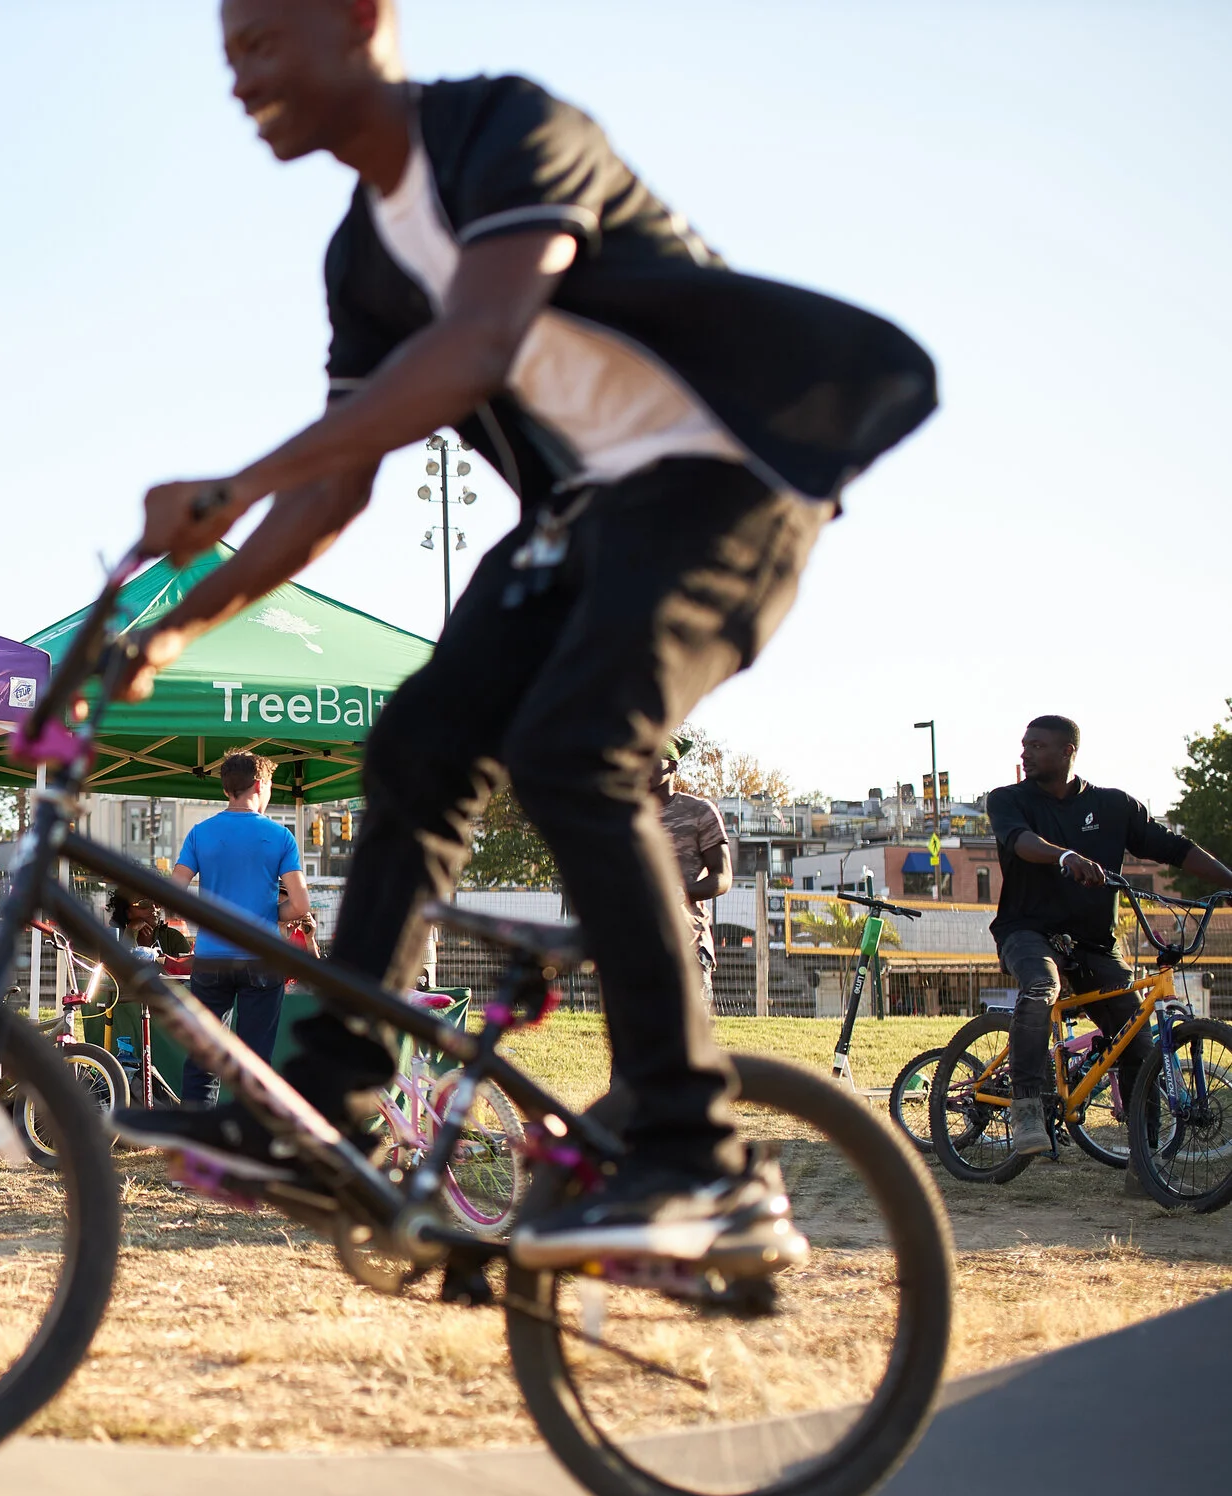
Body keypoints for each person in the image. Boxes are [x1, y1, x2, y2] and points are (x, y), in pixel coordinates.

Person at [108, 0, 937, 1263]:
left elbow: (475, 344)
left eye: (264, 43)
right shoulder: (361, 260)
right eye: (227, 58)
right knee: (417, 746)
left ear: (360, 22)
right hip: (583, 513)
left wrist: (228, 481)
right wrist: (172, 631)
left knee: (571, 751)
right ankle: (331, 1105)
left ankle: (693, 1156)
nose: (241, 80)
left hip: (724, 477)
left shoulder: (507, 125)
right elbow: (333, 492)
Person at [986, 716, 1232, 1163]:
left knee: (1138, 1042)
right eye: (1024, 745)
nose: (1025, 753)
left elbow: (1174, 848)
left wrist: (1230, 880)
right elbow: (1020, 841)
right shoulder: (1007, 799)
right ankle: (1025, 1109)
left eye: (1037, 746)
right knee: (1042, 985)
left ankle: (1148, 1158)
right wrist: (1065, 855)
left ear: (1067, 752)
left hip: (1094, 943)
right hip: (1027, 931)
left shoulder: (1114, 806)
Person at [167, 753, 309, 1103]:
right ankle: (249, 1141)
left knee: (203, 1058)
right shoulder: (280, 836)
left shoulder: (200, 833)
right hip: (261, 959)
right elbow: (301, 905)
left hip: (211, 959)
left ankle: (197, 1145)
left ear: (226, 788)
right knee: (255, 1062)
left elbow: (172, 898)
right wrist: (273, 913)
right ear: (260, 786)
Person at [653, 737, 731, 1012]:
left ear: (672, 766)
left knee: (690, 1036)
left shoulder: (699, 812)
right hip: (635, 942)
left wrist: (677, 892)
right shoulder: (622, 815)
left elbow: (722, 877)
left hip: (687, 940)